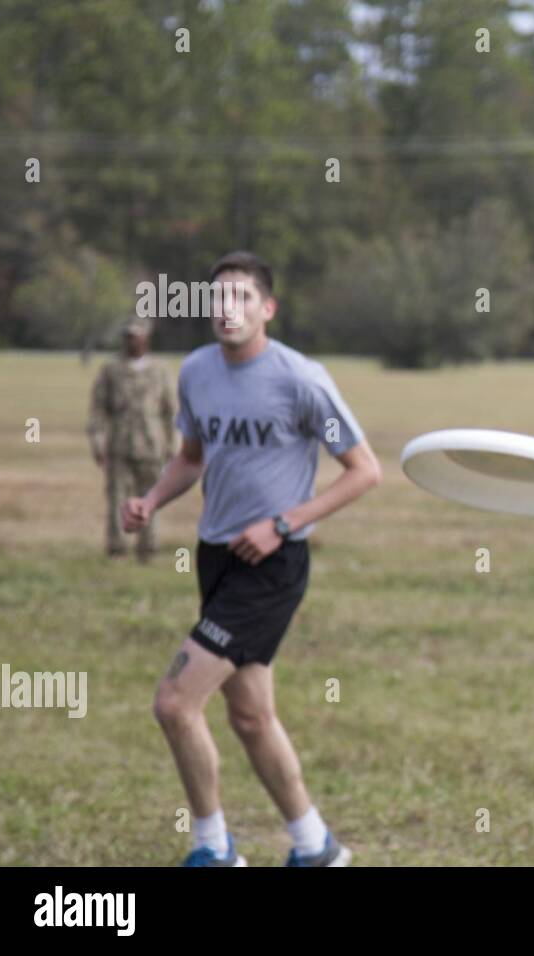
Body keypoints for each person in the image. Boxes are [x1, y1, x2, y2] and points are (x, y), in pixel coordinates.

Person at [122, 251, 382, 865]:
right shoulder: (196, 372)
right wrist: (152, 499)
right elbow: (191, 456)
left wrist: (283, 523)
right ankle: (315, 845)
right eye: (218, 297)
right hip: (216, 558)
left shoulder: (302, 379)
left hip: (272, 566)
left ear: (267, 309)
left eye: (242, 297)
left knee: (175, 702)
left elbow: (364, 471)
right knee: (251, 716)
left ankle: (214, 849)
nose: (226, 308)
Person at [88, 316, 175, 561]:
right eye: (127, 336)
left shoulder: (160, 370)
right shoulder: (111, 370)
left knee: (151, 497)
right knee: (117, 497)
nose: (131, 341)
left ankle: (148, 547)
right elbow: (98, 409)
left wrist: (173, 445)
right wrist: (97, 442)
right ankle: (116, 548)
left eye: (135, 336)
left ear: (145, 338)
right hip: (119, 444)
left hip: (151, 444)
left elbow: (171, 410)